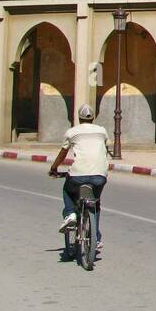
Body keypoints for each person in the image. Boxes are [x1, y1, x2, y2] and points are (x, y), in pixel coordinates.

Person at [48, 103, 110, 249]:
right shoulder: (102, 131)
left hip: (78, 175)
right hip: (100, 175)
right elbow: (104, 150)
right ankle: (97, 238)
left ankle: (70, 214)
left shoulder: (72, 132)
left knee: (68, 190)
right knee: (95, 203)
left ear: (79, 118)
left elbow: (63, 153)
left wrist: (54, 168)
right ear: (93, 117)